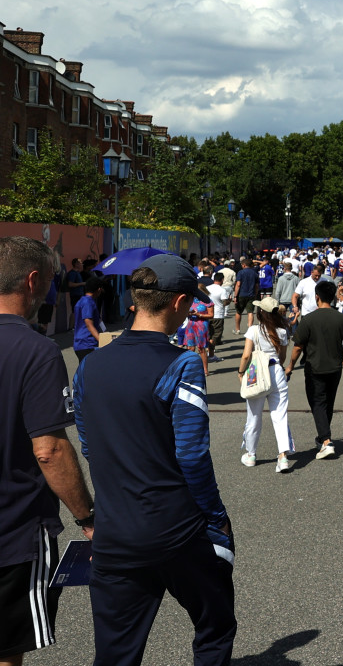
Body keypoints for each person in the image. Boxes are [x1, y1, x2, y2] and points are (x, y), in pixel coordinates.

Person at [73, 255, 235, 666]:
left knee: (115, 652)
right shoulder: (182, 362)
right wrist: (216, 516)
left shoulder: (90, 365)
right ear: (179, 302)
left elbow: (89, 446)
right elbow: (192, 454)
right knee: (214, 625)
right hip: (176, 527)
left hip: (114, 532)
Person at [0, 238, 95, 666]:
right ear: (32, 280)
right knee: (7, 648)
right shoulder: (37, 350)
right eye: (51, 281)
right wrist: (88, 518)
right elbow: (50, 450)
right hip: (13, 531)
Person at [285, 282, 343, 459]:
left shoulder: (309, 319)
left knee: (317, 402)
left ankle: (326, 440)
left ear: (317, 297)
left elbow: (298, 347)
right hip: (335, 367)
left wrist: (290, 366)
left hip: (314, 367)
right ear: (334, 296)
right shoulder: (341, 318)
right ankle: (322, 437)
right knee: (328, 402)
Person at [236, 297, 296, 473]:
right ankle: (283, 456)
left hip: (257, 372)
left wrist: (241, 372)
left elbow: (246, 355)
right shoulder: (282, 331)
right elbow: (282, 357)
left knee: (254, 415)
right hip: (276, 371)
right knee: (280, 415)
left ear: (261, 312)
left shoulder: (254, 330)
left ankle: (251, 453)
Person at [72, 276, 104, 365]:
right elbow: (89, 324)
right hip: (87, 343)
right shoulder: (88, 302)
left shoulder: (82, 301)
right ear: (98, 289)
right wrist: (102, 341)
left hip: (81, 343)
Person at [232, 257, 258, 337]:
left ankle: (238, 329)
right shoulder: (255, 273)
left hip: (241, 295)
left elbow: (238, 284)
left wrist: (235, 295)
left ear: (243, 265)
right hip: (251, 294)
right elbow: (257, 286)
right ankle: (250, 329)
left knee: (238, 311)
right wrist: (255, 294)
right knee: (250, 312)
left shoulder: (240, 272)